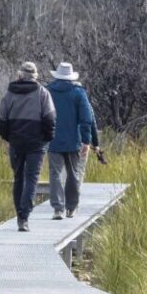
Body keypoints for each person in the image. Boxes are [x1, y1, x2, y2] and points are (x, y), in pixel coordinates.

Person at [0, 61, 56, 231]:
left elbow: (0, 119)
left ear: (19, 75)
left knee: (18, 178)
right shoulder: (43, 93)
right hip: (37, 142)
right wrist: (47, 137)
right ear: (35, 76)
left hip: (16, 141)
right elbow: (50, 118)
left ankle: (20, 215)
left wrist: (8, 136)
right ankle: (24, 217)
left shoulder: (9, 94)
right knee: (32, 178)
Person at [45, 61, 100, 220]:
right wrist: (86, 141)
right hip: (73, 140)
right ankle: (71, 207)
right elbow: (86, 119)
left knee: (55, 174)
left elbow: (43, 115)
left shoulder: (48, 91)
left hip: (53, 139)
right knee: (73, 173)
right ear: (71, 76)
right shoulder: (78, 92)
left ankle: (58, 208)